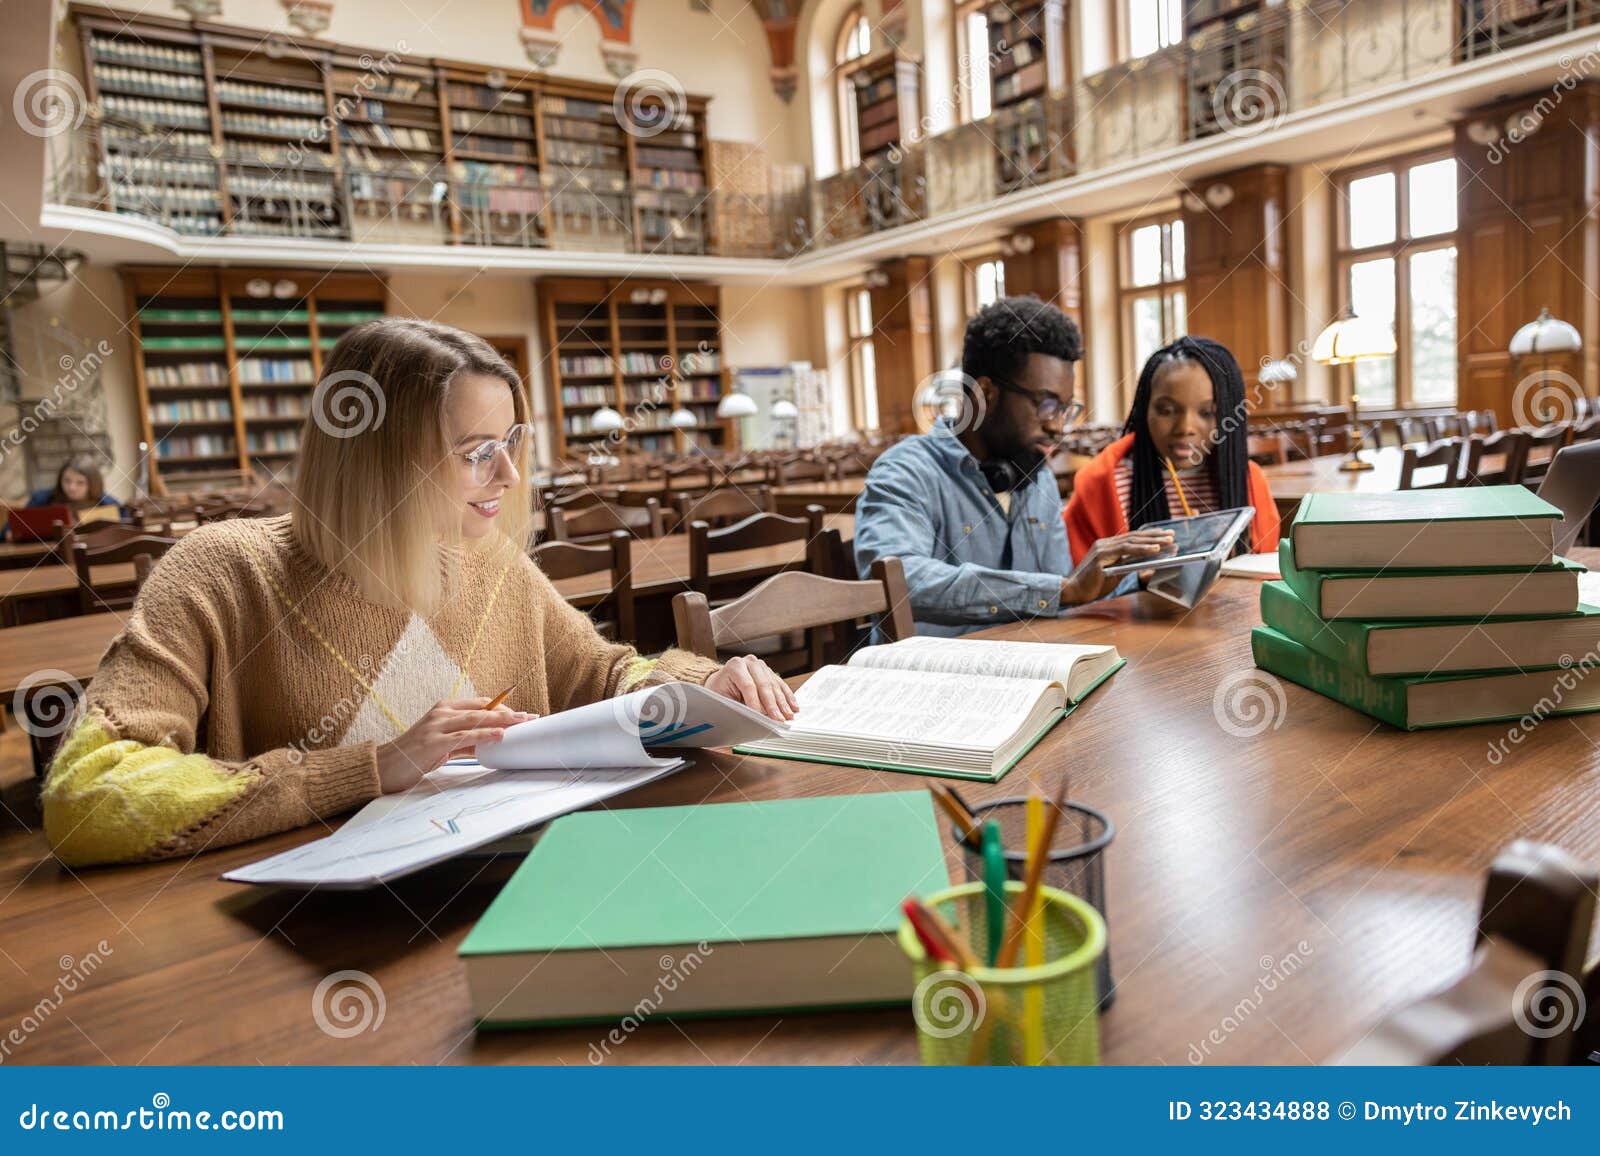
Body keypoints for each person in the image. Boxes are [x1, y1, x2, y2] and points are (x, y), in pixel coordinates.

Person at [42, 319, 794, 868]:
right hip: (300, 939)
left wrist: (698, 687)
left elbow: (599, 673)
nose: (509, 478)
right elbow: (89, 791)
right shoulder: (219, 573)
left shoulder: (487, 560)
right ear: (377, 463)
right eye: (476, 455)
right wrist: (367, 768)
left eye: (512, 444)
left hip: (505, 887)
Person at [853, 296, 1173, 637]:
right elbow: (898, 583)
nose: (1058, 427)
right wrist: (1061, 590)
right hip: (925, 682)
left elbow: (1064, 592)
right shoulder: (905, 472)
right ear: (986, 393)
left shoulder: (1037, 477)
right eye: (1046, 404)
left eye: (1066, 409)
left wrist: (1135, 575)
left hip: (1026, 670)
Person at [1065, 336, 1280, 561]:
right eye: (1167, 410)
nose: (1185, 428)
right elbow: (1080, 584)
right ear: (1143, 410)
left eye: (1207, 413)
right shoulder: (1099, 484)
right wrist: (1136, 578)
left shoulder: (1250, 481)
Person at [2, 456, 120, 540]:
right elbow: (8, 530)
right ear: (60, 480)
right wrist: (10, 533)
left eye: (80, 483)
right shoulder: (41, 499)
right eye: (67, 481)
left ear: (92, 485)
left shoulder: (108, 503)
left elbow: (125, 531)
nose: (72, 487)